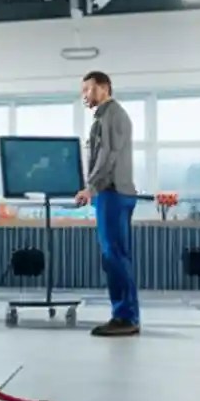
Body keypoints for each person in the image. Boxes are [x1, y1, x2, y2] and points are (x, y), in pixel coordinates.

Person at [73, 71, 140, 337]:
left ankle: (125, 316)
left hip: (113, 192)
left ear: (103, 88)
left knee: (114, 257)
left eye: (88, 90)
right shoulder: (105, 116)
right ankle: (126, 314)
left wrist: (90, 187)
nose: (85, 96)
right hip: (111, 192)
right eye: (83, 92)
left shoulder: (112, 115)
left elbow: (108, 157)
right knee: (115, 256)